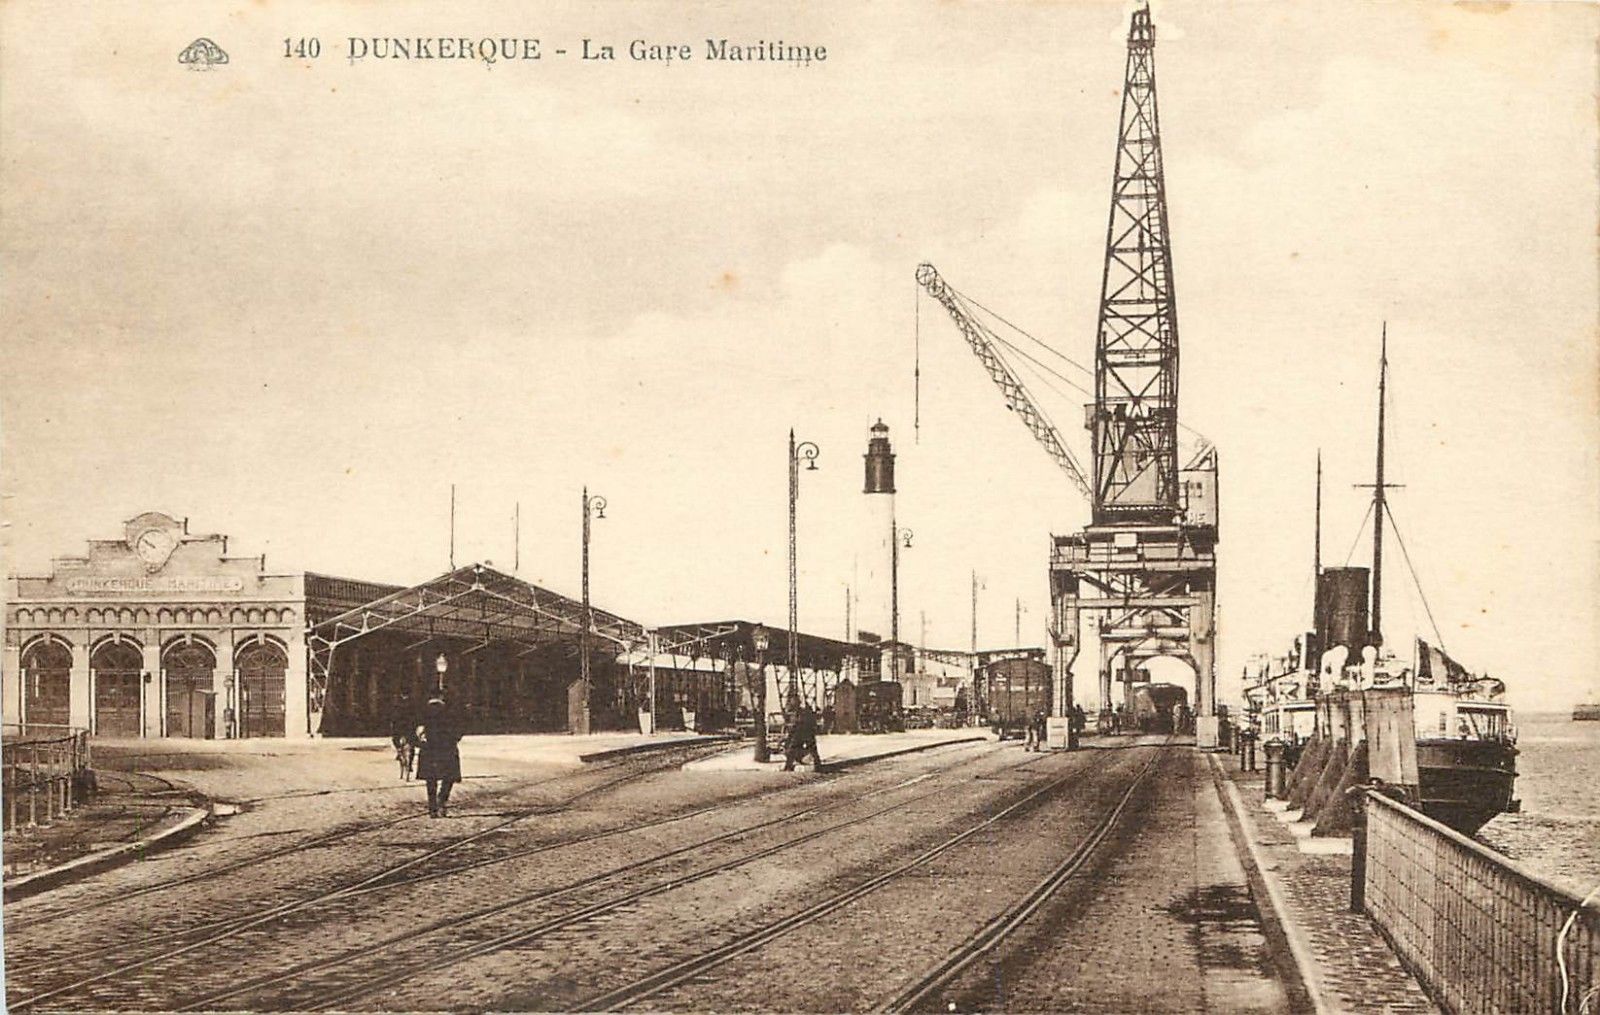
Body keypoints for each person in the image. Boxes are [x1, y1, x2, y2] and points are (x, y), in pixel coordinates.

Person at [415, 692, 463, 817]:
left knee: (431, 779)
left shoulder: (423, 712)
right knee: (449, 777)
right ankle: (441, 801)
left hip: (429, 749)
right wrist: (453, 740)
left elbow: (417, 730)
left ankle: (432, 807)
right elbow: (459, 730)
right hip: (447, 748)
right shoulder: (451, 712)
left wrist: (419, 740)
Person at [784, 705, 822, 771]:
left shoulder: (799, 720)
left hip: (801, 732)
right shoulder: (804, 715)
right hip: (806, 731)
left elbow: (792, 734)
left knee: (793, 749)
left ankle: (788, 766)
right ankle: (817, 764)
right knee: (812, 748)